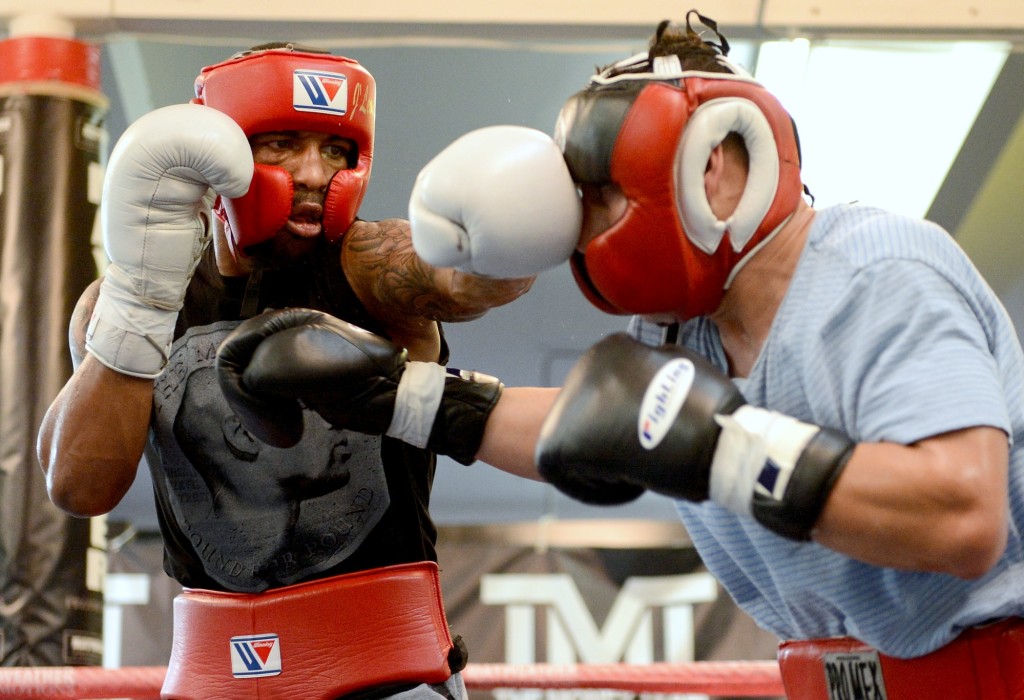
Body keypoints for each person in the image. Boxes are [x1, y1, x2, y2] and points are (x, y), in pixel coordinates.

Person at [213, 13, 1024, 699]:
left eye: (605, 195)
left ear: (716, 164)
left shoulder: (874, 273)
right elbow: (597, 426)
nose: (587, 228)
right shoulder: (681, 330)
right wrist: (399, 395)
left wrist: (725, 448)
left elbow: (963, 515)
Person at [34, 42, 577, 700]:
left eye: (336, 150)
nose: (316, 173)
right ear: (217, 152)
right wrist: (140, 300)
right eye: (283, 144)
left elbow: (472, 279)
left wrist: (515, 217)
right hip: (212, 682)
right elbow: (78, 487)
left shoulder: (367, 264)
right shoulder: (120, 303)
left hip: (385, 675)